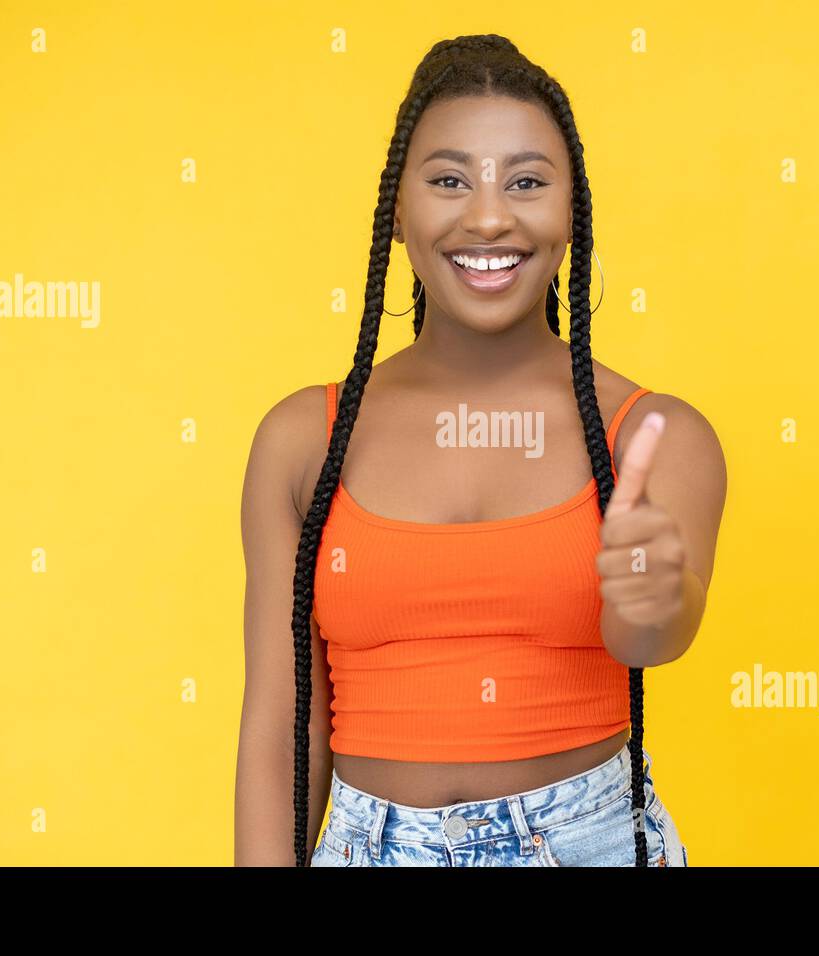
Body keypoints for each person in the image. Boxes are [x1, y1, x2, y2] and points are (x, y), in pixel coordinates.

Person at [235, 34, 727, 867]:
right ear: (398, 209)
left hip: (591, 843)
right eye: (450, 180)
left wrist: (649, 583)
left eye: (527, 181)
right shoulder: (301, 442)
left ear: (573, 213)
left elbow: (652, 636)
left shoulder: (654, 436)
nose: (490, 215)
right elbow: (284, 721)